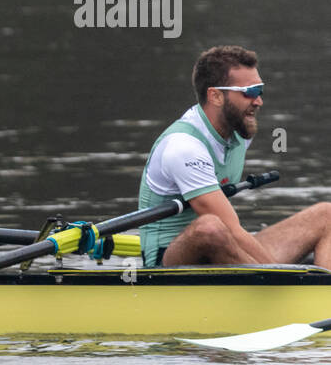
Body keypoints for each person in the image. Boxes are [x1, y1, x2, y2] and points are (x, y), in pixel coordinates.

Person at [139, 45, 331, 267]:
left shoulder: (239, 130)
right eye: (249, 92)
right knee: (210, 226)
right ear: (216, 96)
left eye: (260, 91)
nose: (258, 101)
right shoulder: (184, 147)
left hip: (226, 243)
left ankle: (324, 292)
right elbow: (229, 227)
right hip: (167, 261)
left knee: (326, 215)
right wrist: (284, 275)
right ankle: (286, 288)